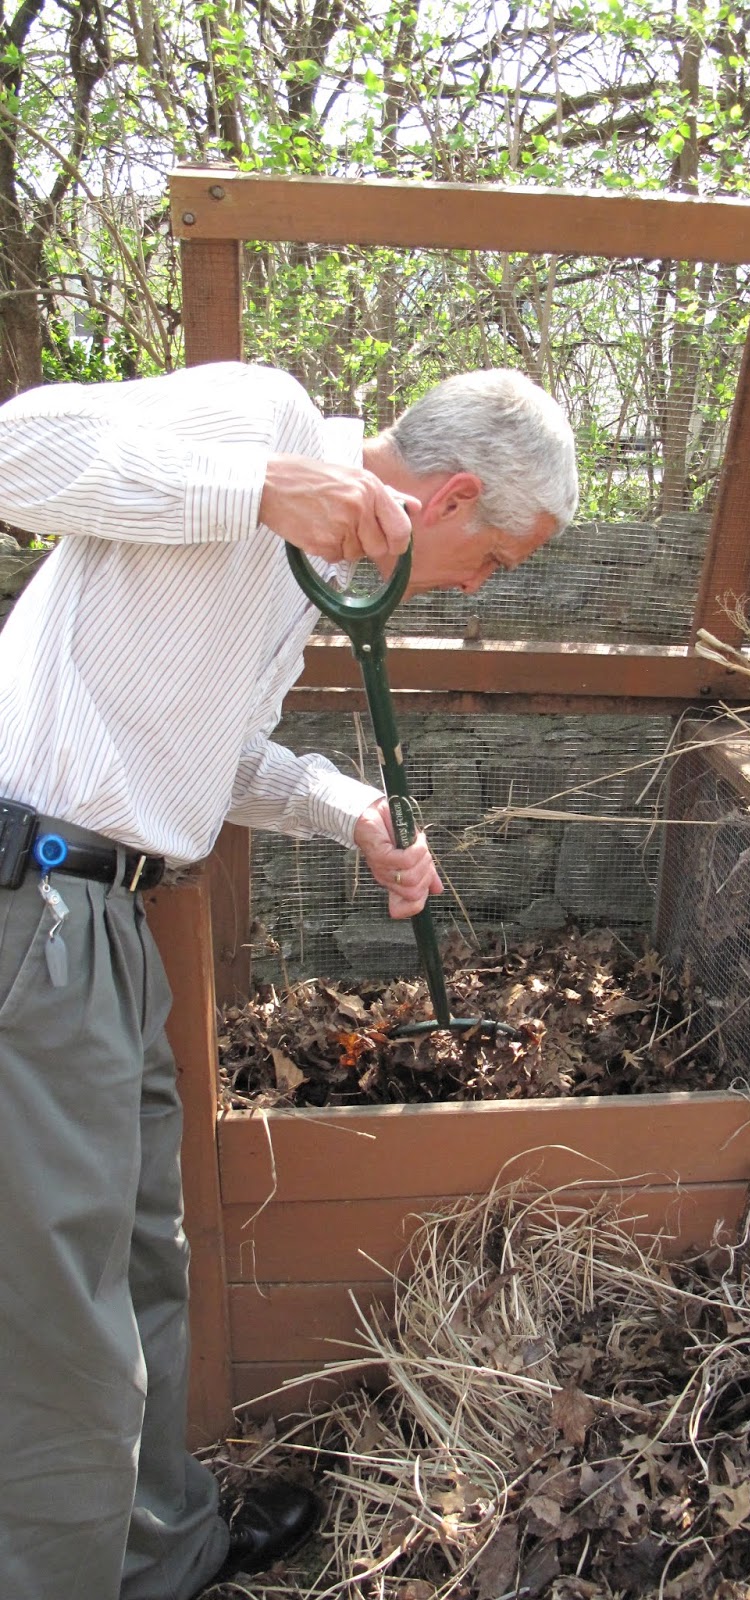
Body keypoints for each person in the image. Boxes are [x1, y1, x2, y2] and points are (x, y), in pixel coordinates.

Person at [0, 360, 578, 1600]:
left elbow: (212, 752)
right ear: (455, 495)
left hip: (105, 922)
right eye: (498, 561)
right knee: (56, 1323)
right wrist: (255, 484)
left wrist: (350, 810)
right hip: (30, 905)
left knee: (141, 1265)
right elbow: (15, 451)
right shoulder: (266, 423)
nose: (481, 592)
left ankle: (162, 1551)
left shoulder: (305, 577)